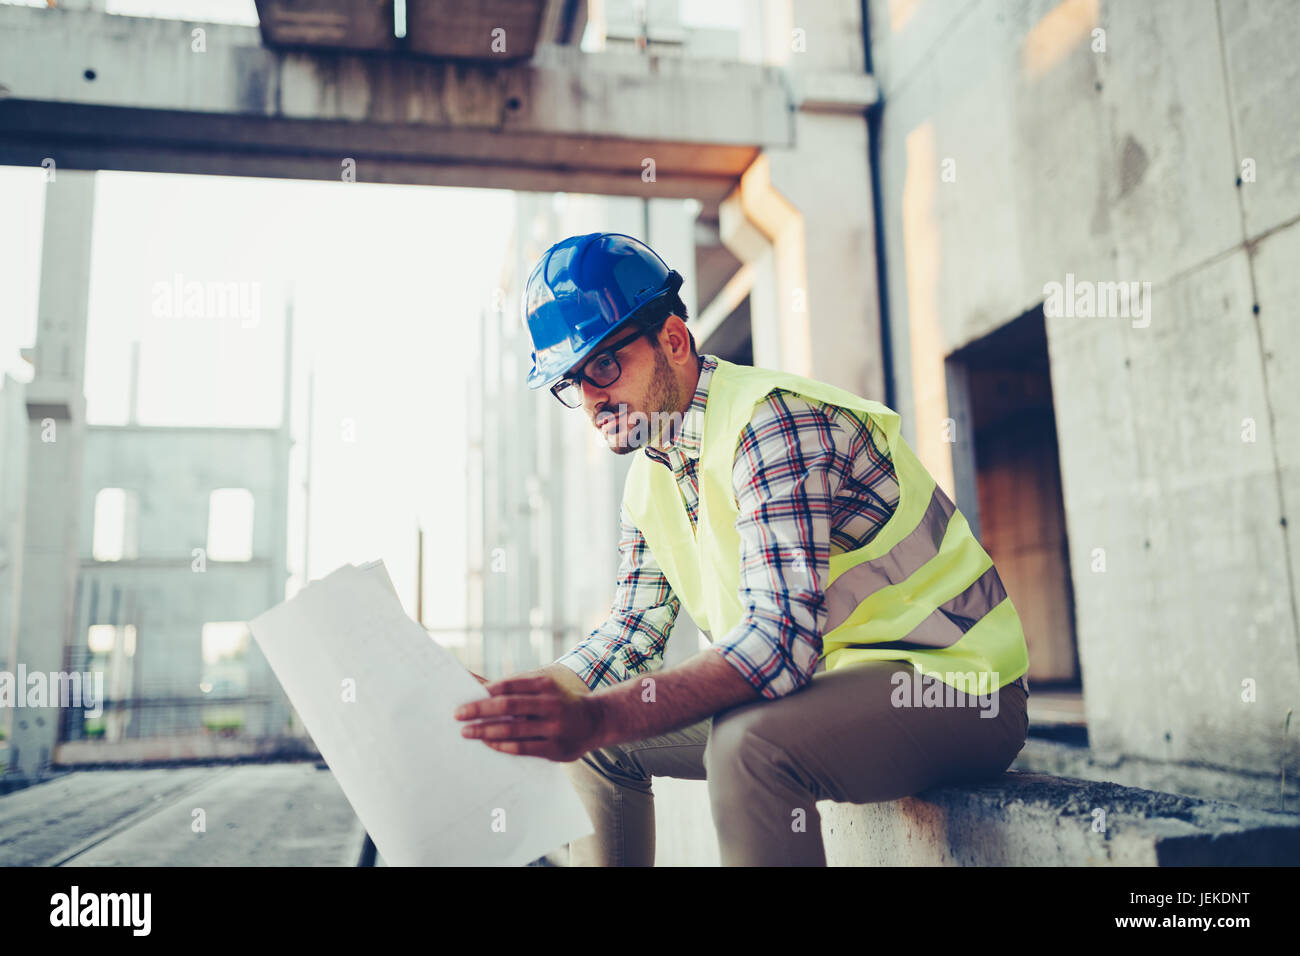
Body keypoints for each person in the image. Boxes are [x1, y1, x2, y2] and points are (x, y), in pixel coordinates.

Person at [453, 232, 1030, 866]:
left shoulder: (772, 422)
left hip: (955, 686)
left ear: (673, 341)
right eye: (573, 382)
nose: (591, 398)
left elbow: (778, 645)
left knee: (746, 745)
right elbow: (633, 632)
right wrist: (527, 699)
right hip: (823, 687)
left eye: (604, 366)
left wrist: (597, 716)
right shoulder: (651, 476)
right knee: (598, 746)